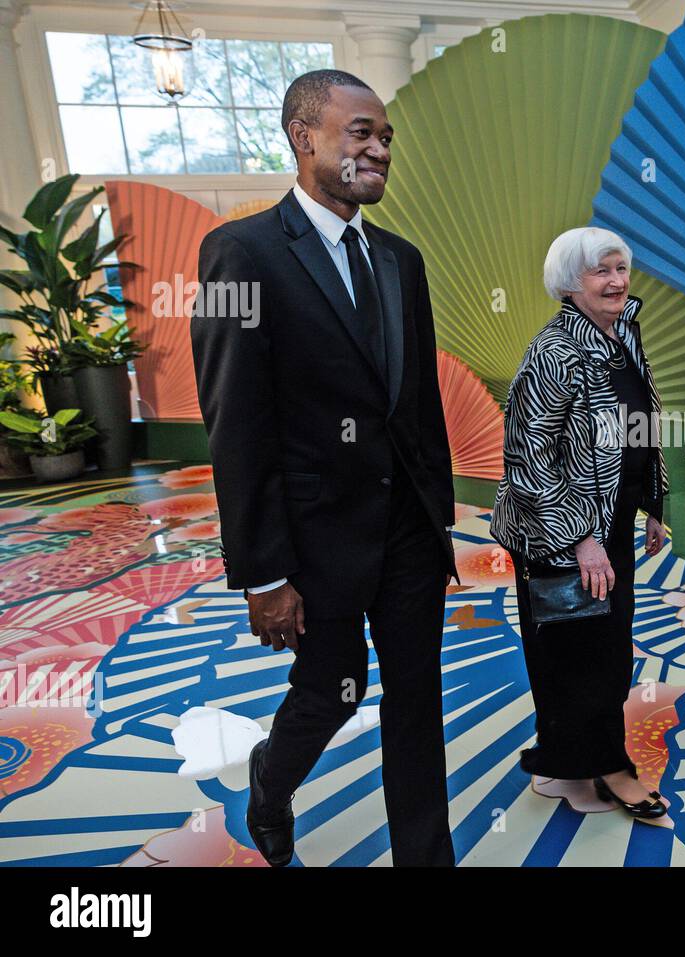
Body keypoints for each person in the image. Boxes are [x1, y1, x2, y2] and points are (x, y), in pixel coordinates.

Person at [190, 69, 459, 866]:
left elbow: (415, 402)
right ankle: (270, 781)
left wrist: (437, 514)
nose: (378, 149)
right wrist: (264, 571)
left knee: (417, 702)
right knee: (329, 691)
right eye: (360, 133)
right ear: (303, 137)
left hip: (408, 533)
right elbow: (235, 423)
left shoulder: (402, 260)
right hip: (315, 540)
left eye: (385, 138)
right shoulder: (237, 252)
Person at [491, 227, 670, 820]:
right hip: (556, 533)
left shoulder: (620, 333)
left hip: (608, 521)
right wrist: (582, 538)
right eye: (602, 272)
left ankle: (576, 755)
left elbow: (639, 422)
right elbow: (526, 456)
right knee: (578, 654)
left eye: (621, 268)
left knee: (607, 646)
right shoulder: (554, 352)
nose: (617, 281)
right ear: (571, 284)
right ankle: (606, 764)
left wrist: (652, 506)